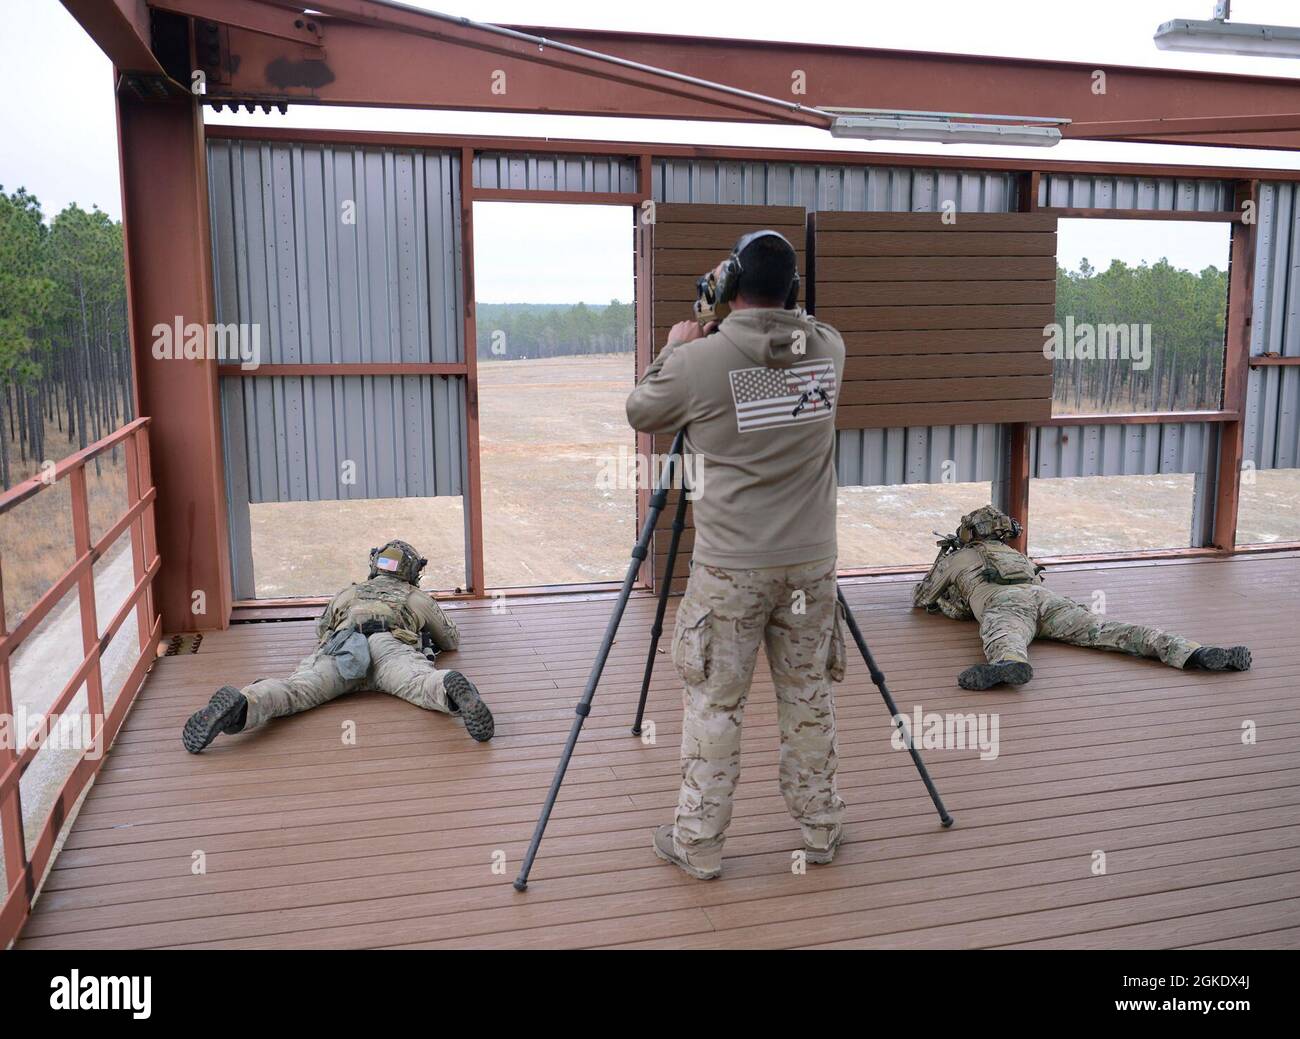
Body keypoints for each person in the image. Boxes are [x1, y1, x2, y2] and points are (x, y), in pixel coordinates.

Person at [626, 229, 848, 880]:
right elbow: (785, 349)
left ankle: (698, 843)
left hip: (732, 568)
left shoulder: (700, 363)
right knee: (806, 693)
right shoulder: (830, 349)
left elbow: (642, 410)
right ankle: (822, 827)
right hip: (811, 563)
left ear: (728, 289)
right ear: (794, 291)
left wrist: (674, 344)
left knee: (716, 703)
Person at [181, 540, 494, 752]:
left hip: (345, 648)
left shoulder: (350, 593)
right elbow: (449, 640)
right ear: (412, 572)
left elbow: (323, 630)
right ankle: (452, 690)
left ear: (375, 565)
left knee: (297, 690)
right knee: (421, 683)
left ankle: (243, 704)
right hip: (390, 647)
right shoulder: (415, 597)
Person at [914, 505, 1252, 690]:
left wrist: (945, 568)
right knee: (1112, 630)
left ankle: (1009, 666)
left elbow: (922, 597)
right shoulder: (1013, 554)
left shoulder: (959, 558)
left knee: (1005, 638)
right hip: (1047, 600)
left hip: (1004, 603)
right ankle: (1194, 651)